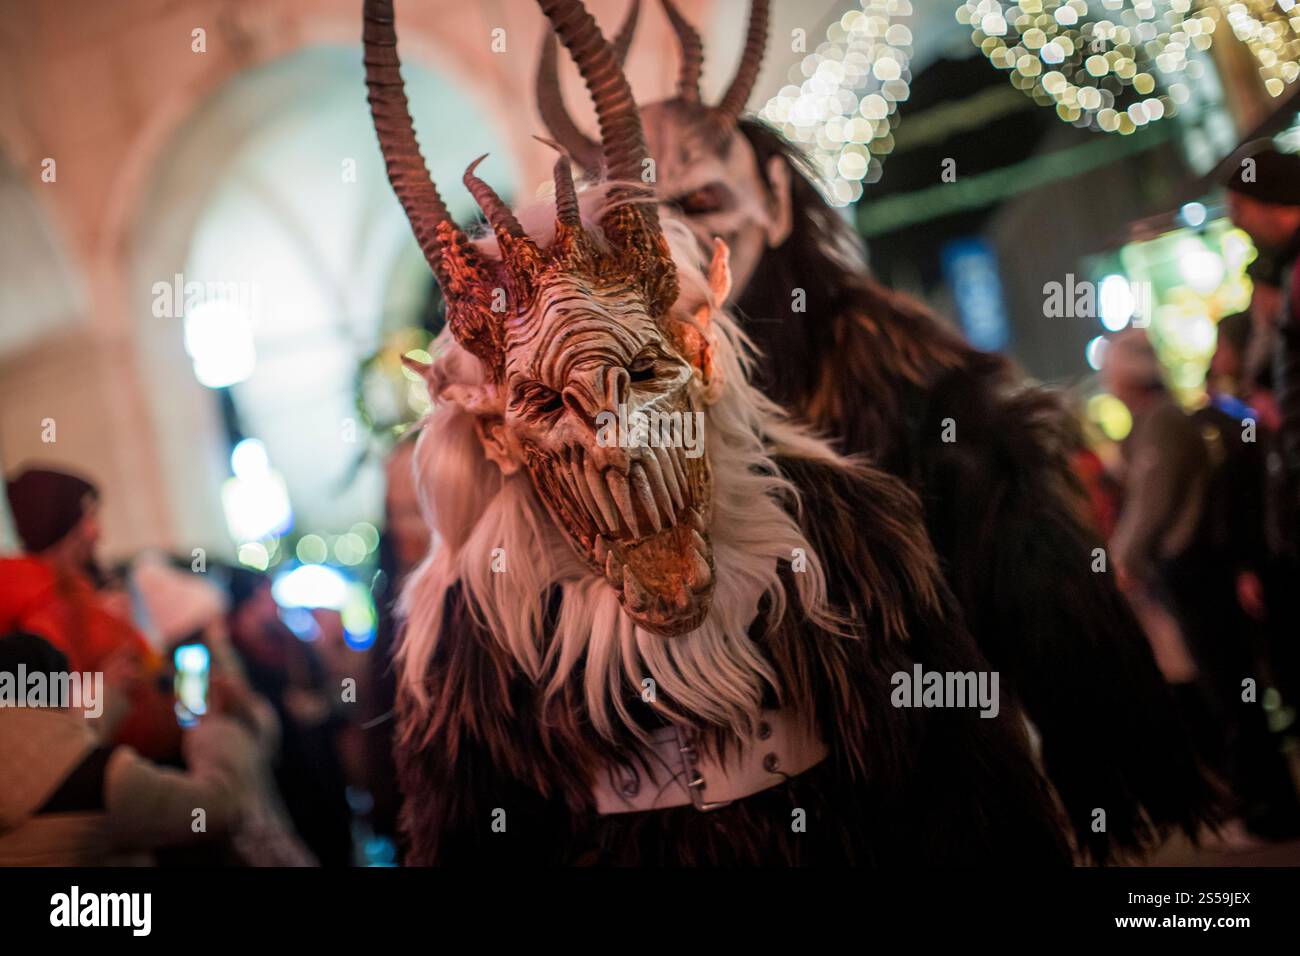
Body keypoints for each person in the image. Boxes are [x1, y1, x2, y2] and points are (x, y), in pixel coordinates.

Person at [371, 0, 1070, 865]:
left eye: (702, 200)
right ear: (500, 434)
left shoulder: (848, 515)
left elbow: (960, 762)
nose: (617, 440)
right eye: (553, 405)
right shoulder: (473, 626)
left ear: (700, 353)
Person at [535, 0, 1216, 860]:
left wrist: (1088, 773)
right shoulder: (593, 414)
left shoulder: (910, 384)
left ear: (775, 203)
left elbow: (1042, 612)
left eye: (704, 202)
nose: (680, 244)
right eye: (646, 221)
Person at [1103, 330, 1300, 840]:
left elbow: (1150, 506)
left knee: (1231, 690)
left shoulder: (1162, 421)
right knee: (1225, 689)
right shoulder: (1154, 421)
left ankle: (1270, 810)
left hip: (1196, 573)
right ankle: (1258, 804)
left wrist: (1116, 565)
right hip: (1189, 572)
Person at [0, 630, 262, 866]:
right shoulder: (110, 779)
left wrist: (106, 696)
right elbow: (214, 806)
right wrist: (217, 726)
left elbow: (42, 754)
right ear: (66, 695)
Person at [0, 467, 179, 761]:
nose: (97, 532)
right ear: (60, 521)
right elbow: (53, 714)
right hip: (111, 767)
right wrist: (104, 688)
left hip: (135, 754)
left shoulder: (77, 588)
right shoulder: (35, 598)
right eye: (88, 517)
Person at [226, 568, 352, 866]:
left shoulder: (291, 642)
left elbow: (334, 694)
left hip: (321, 765)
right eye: (266, 596)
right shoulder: (233, 658)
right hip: (279, 774)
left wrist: (318, 706)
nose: (274, 603)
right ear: (249, 604)